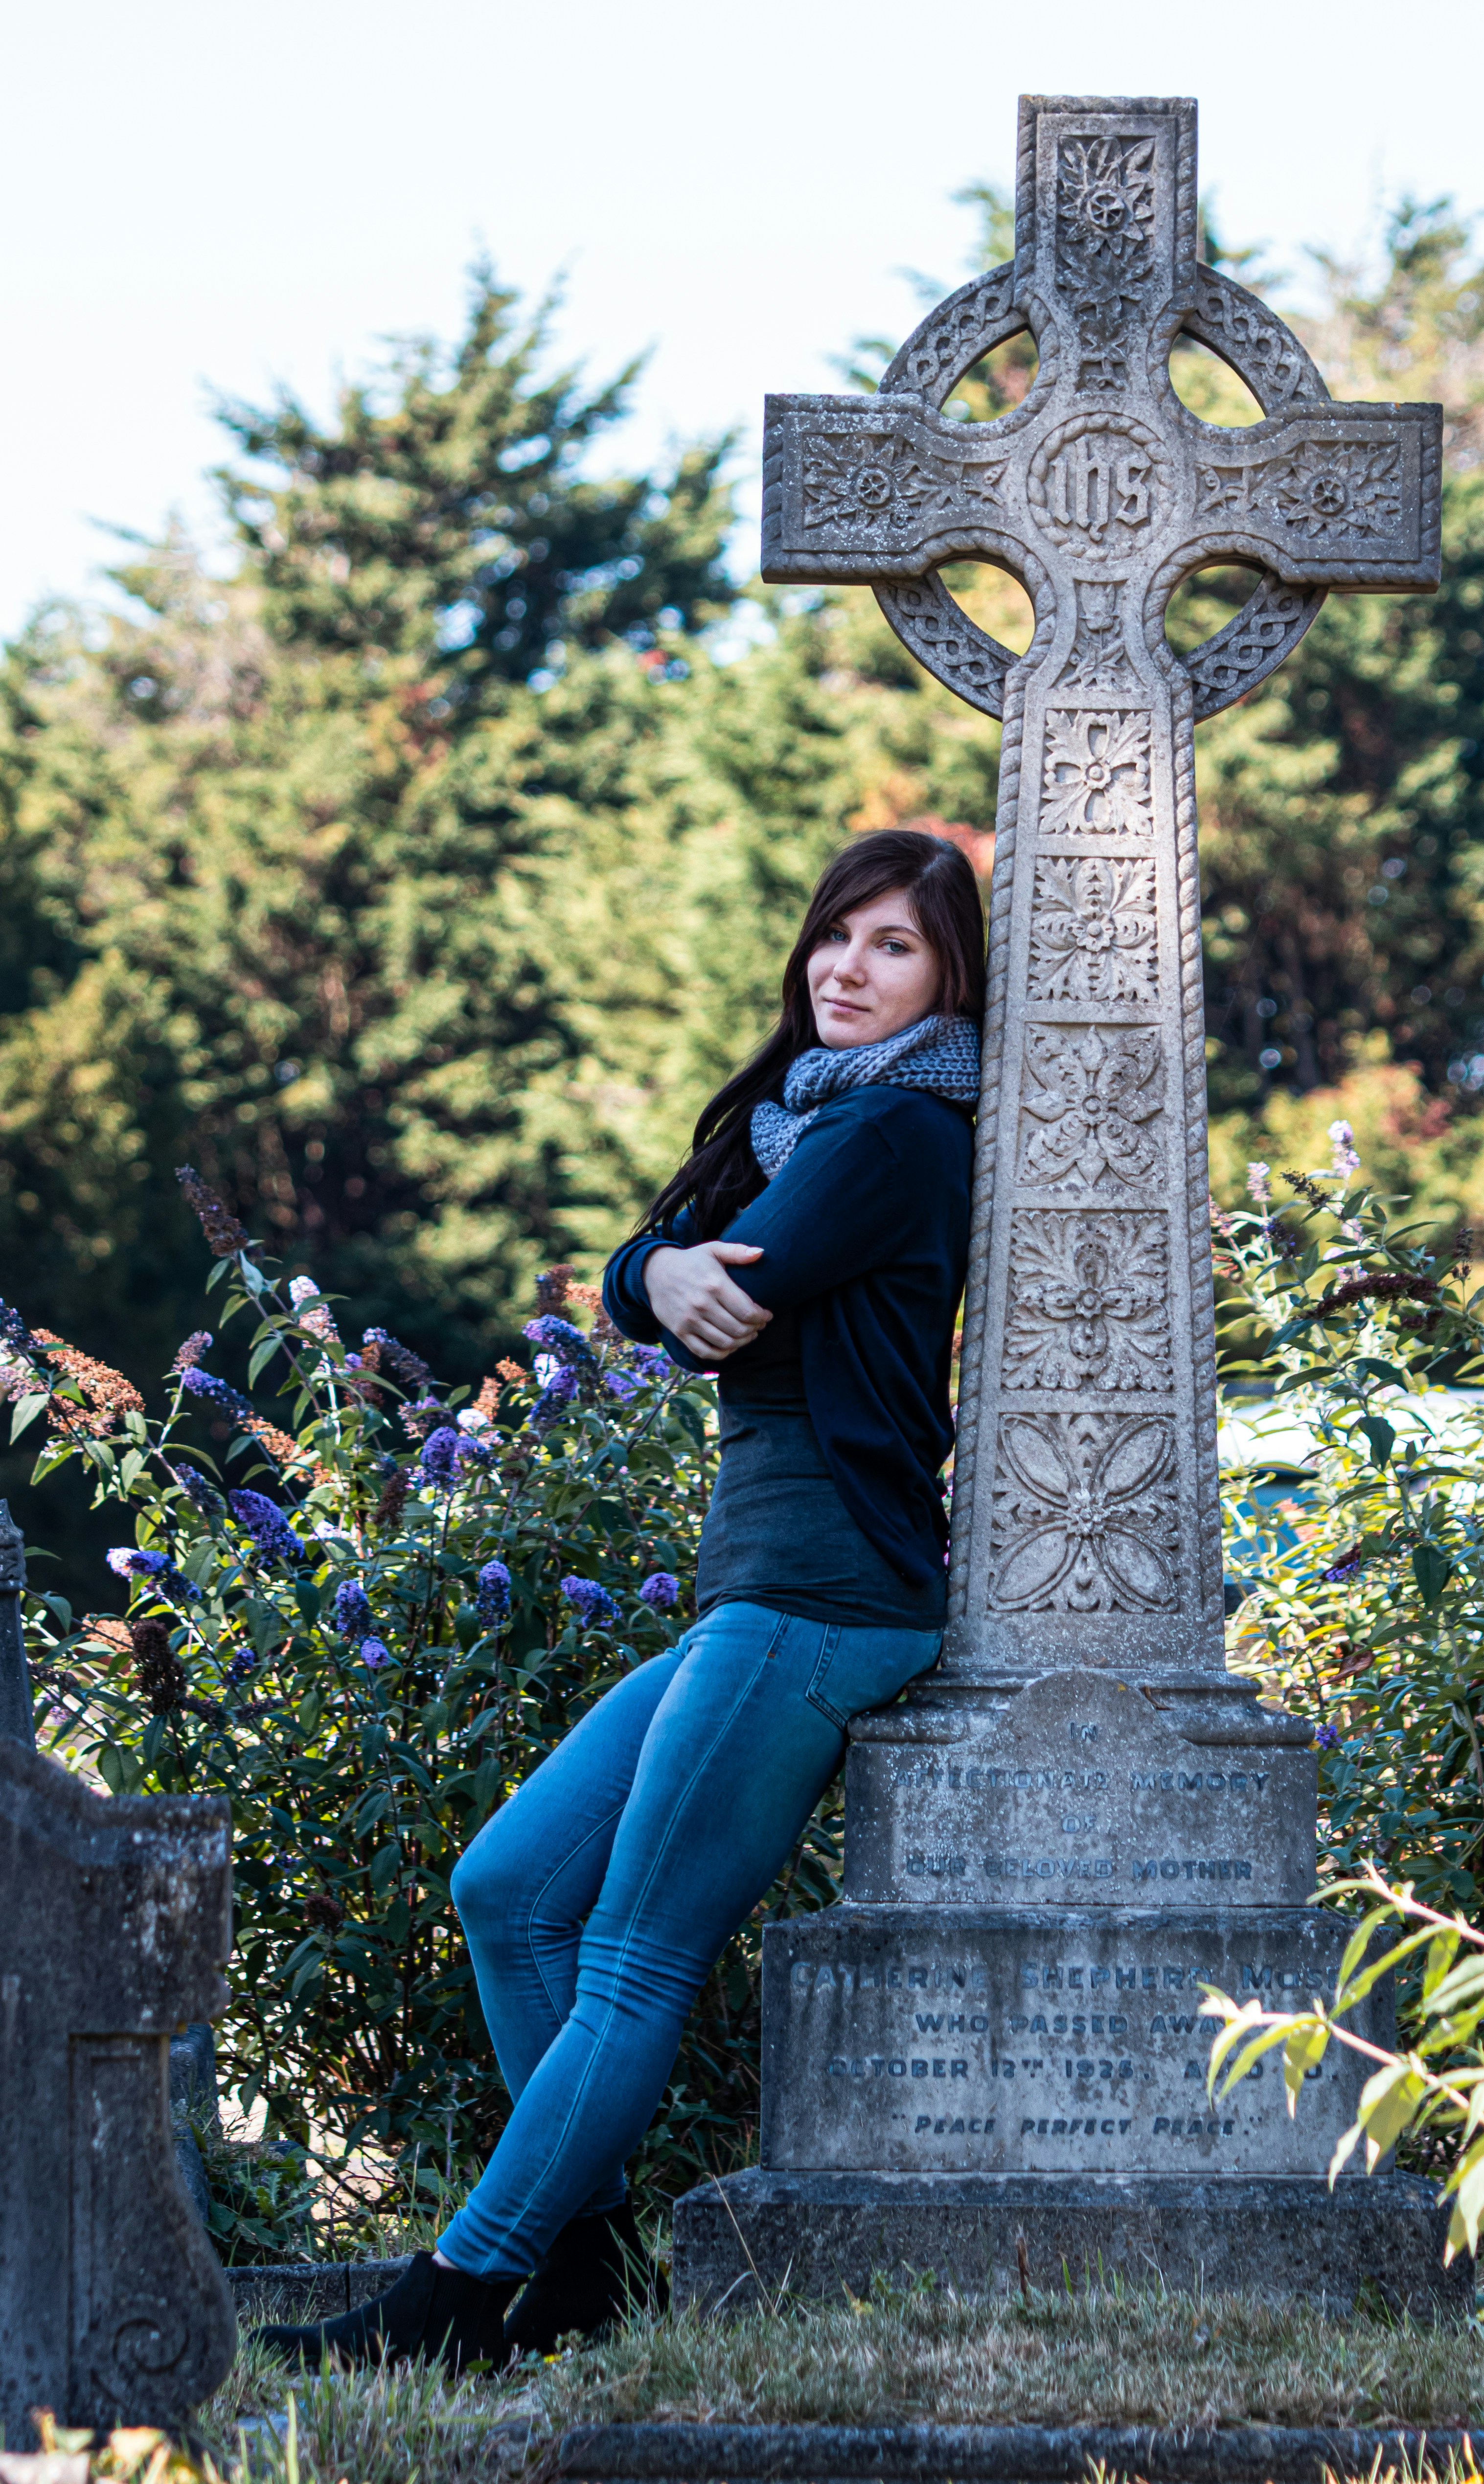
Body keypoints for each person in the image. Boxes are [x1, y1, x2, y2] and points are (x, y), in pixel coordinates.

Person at [259, 828, 984, 2373]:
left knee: (634, 1953)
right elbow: (661, 1267)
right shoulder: (805, 1113)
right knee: (509, 1887)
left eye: (894, 948)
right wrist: (643, 1275)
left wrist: (662, 1283)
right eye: (834, 937)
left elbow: (726, 1300)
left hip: (829, 1590)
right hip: (760, 1587)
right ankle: (583, 2270)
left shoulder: (897, 1137)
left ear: (951, 977)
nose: (847, 971)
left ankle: (450, 2305)